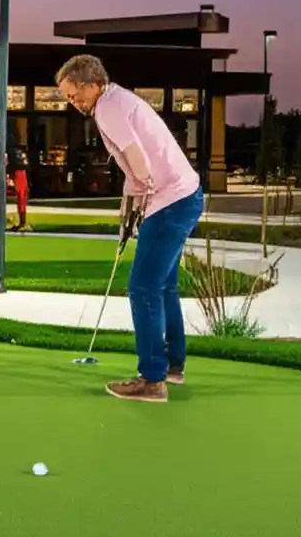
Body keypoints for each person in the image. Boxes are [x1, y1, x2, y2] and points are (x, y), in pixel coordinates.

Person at [56, 54, 204, 403]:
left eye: (74, 93)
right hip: (186, 196)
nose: (72, 101)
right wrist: (130, 209)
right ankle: (172, 366)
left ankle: (152, 380)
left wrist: (145, 187)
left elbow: (136, 158)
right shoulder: (119, 100)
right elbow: (131, 168)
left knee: (142, 287)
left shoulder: (108, 107)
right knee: (163, 285)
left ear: (92, 84)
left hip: (169, 201)